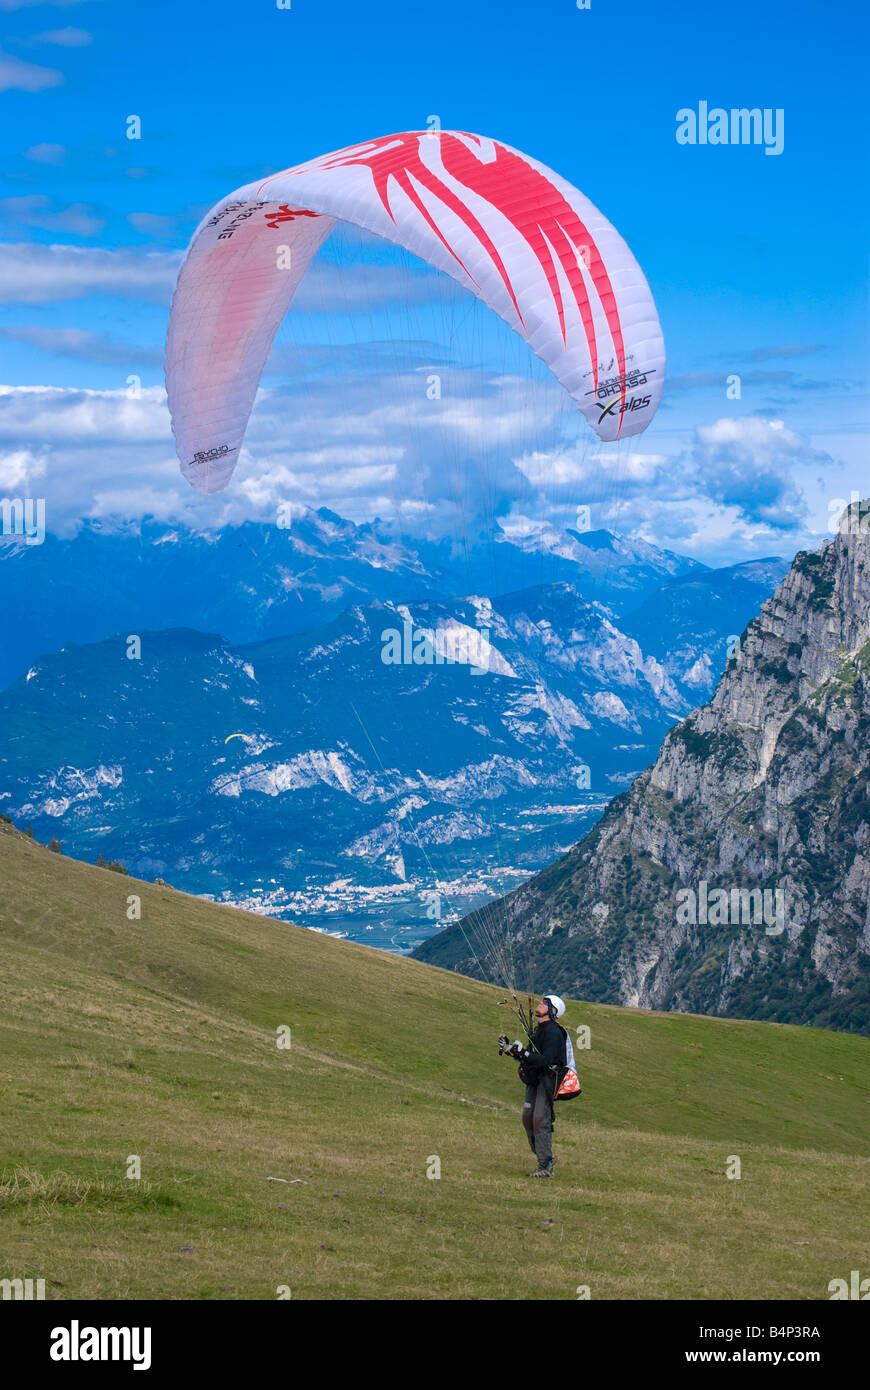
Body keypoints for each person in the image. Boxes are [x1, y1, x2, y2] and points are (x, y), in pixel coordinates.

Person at [500, 994, 567, 1178]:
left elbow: (546, 1060)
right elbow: (530, 1056)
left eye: (545, 1003)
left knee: (540, 1119)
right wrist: (510, 1050)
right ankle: (545, 1157)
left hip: (546, 1081)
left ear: (553, 1011)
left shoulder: (554, 1032)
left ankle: (545, 1167)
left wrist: (523, 1053)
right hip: (534, 1079)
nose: (540, 1003)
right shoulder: (539, 1030)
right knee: (527, 1119)